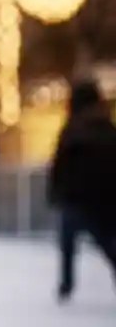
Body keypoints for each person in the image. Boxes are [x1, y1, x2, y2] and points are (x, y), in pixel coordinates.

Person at [47, 78, 116, 303]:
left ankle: (66, 285)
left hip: (75, 198)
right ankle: (66, 285)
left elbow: (60, 163)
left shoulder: (72, 129)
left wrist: (55, 191)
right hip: (100, 199)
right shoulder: (106, 127)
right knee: (108, 243)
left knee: (68, 244)